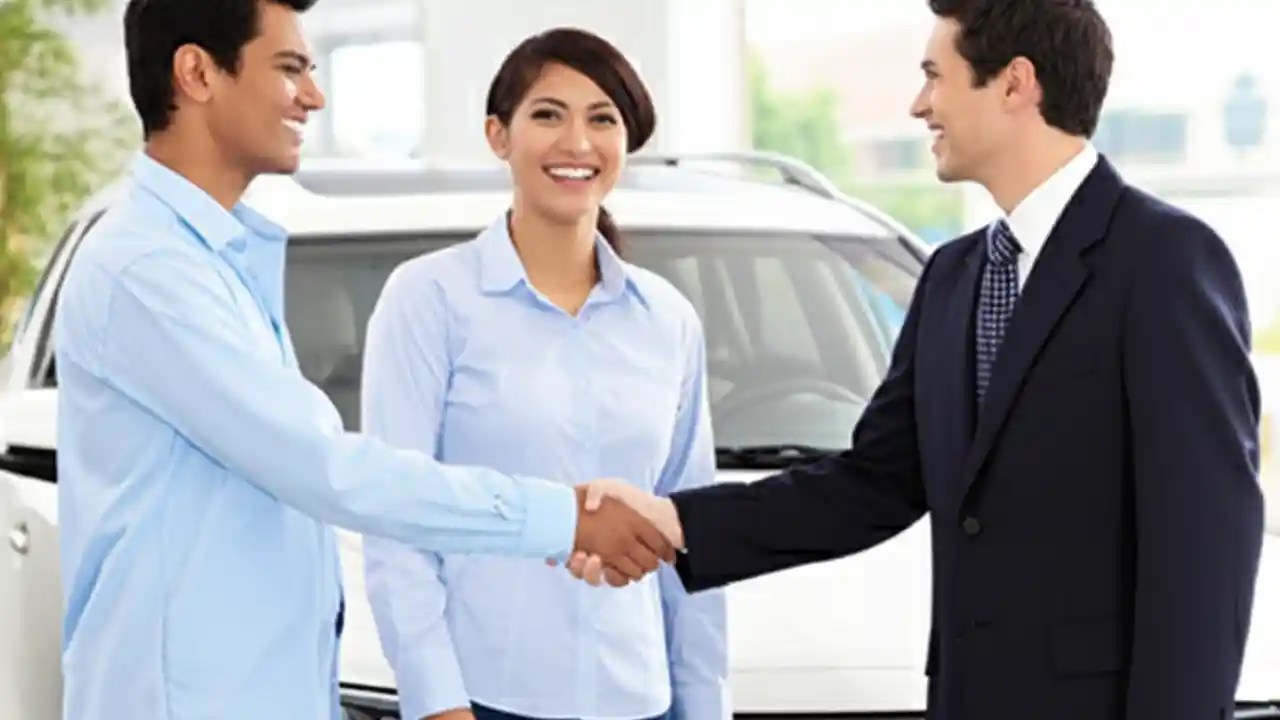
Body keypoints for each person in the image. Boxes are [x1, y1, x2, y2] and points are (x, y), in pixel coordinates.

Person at [570, 1, 1266, 718]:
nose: (919, 104)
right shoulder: (954, 275)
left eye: (936, 76)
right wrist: (675, 522)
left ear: (1016, 84)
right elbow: (874, 482)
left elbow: (1205, 547)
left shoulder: (1163, 262)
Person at [53, 3, 673, 719]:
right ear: (196, 73)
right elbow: (329, 470)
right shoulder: (148, 272)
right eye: (290, 70)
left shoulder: (217, 261)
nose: (314, 96)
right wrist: (563, 516)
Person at [360, 27, 729, 720]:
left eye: (603, 119)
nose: (577, 143)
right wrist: (438, 705)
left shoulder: (666, 320)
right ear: (499, 135)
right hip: (484, 700)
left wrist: (703, 706)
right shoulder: (430, 299)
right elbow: (396, 519)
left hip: (637, 700)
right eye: (547, 115)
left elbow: (691, 538)